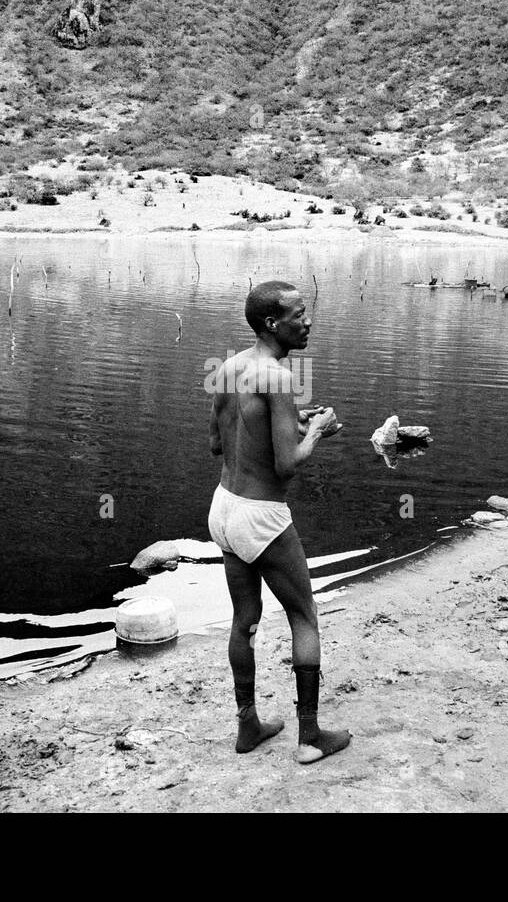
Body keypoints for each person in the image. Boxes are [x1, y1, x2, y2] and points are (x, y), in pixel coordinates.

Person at [207, 280, 351, 764]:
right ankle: (310, 737)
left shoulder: (230, 367)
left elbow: (218, 444)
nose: (308, 321)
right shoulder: (280, 378)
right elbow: (287, 464)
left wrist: (292, 422)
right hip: (260, 515)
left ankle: (248, 726)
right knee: (304, 616)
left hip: (223, 507)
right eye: (299, 314)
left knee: (244, 620)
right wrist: (318, 431)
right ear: (273, 323)